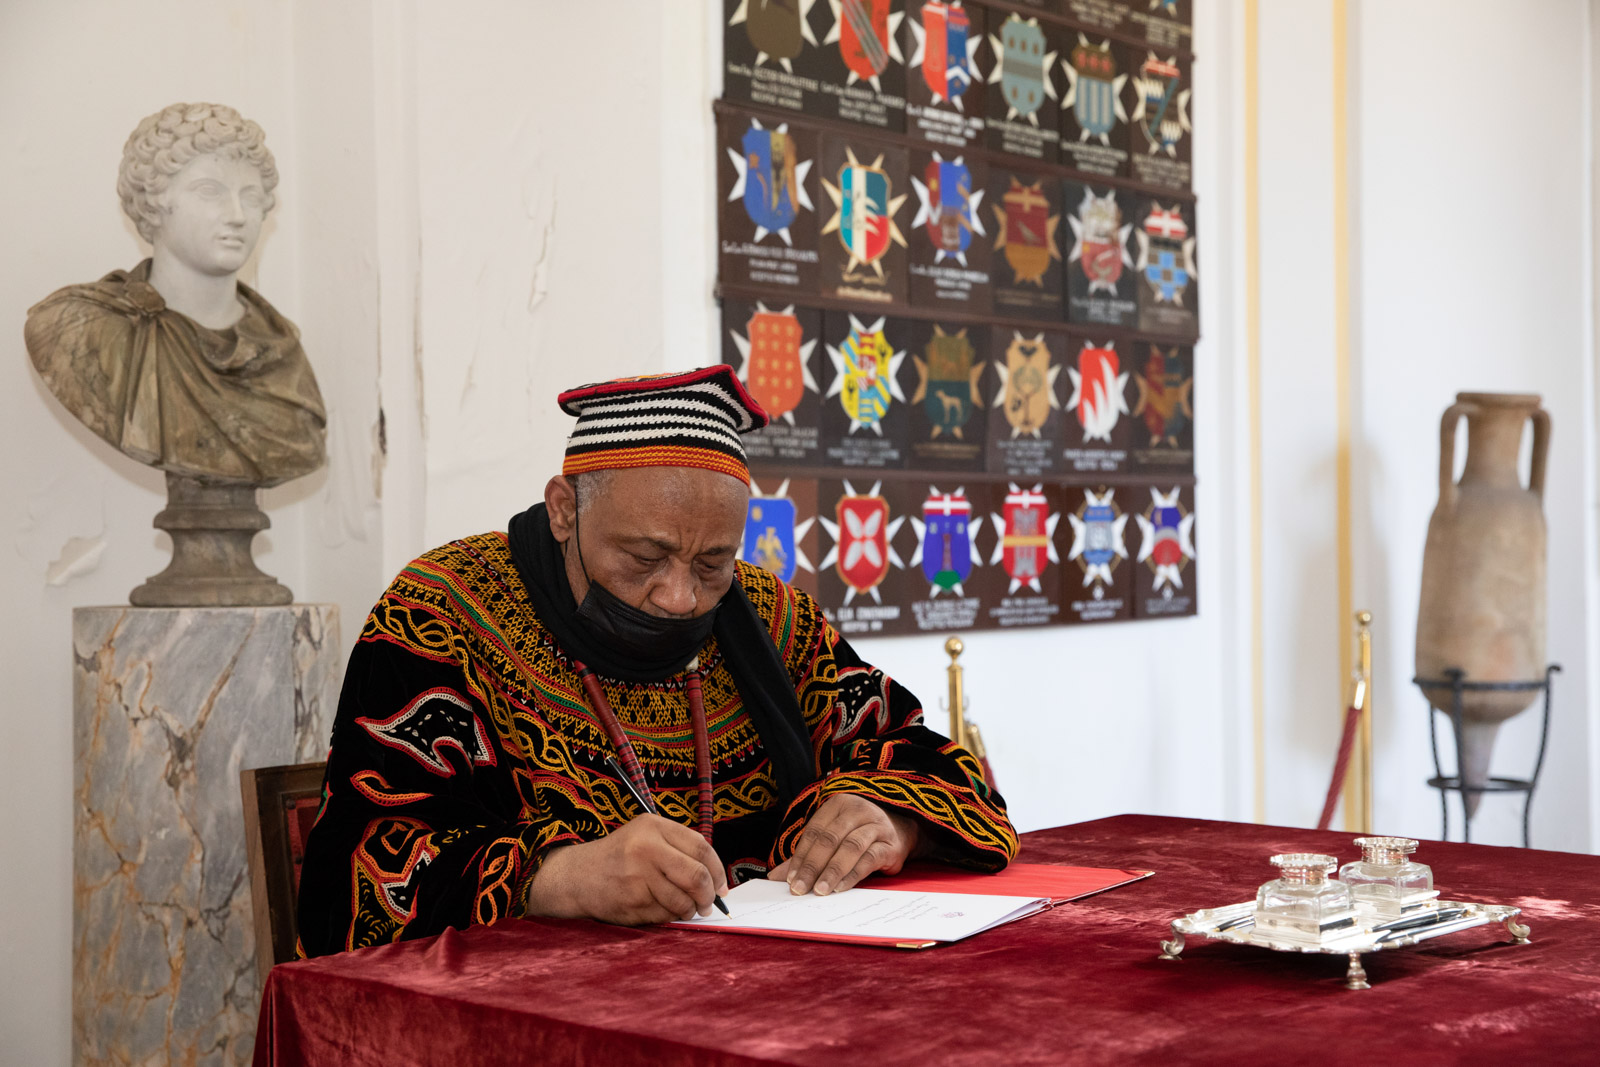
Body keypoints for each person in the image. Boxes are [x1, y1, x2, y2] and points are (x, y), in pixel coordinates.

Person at [296, 365, 1017, 956]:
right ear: (562, 510)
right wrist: (559, 877)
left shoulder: (767, 616)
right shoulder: (445, 613)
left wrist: (893, 820)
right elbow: (358, 870)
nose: (678, 597)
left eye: (712, 562)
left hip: (770, 995)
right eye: (645, 557)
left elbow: (949, 771)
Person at [24, 101, 324, 486]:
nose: (237, 214)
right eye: (210, 191)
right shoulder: (77, 328)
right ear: (153, 204)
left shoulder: (282, 355)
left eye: (250, 195)